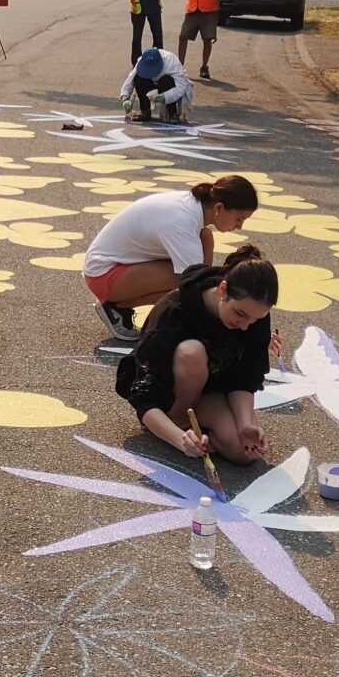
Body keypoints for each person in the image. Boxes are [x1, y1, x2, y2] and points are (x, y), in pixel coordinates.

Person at [114, 244, 278, 464]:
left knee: (244, 451)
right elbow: (144, 397)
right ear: (222, 290)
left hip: (212, 395)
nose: (246, 326)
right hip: (170, 397)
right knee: (192, 352)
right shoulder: (174, 312)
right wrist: (179, 439)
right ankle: (180, 423)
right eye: (240, 314)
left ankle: (202, 428)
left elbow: (245, 379)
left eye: (256, 319)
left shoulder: (252, 313)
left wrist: (246, 423)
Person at [84, 175, 259, 341]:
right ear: (219, 208)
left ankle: (118, 306)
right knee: (185, 283)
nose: (240, 226)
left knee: (204, 239)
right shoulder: (181, 221)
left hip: (118, 267)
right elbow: (195, 283)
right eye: (239, 218)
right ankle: (117, 307)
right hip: (103, 274)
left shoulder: (194, 207)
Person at [118, 47, 194, 125]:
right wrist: (125, 99)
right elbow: (129, 81)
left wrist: (164, 97)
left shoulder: (171, 62)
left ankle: (173, 114)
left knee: (167, 81)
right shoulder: (141, 62)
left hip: (167, 86)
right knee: (138, 77)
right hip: (151, 84)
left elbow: (181, 87)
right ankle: (145, 111)